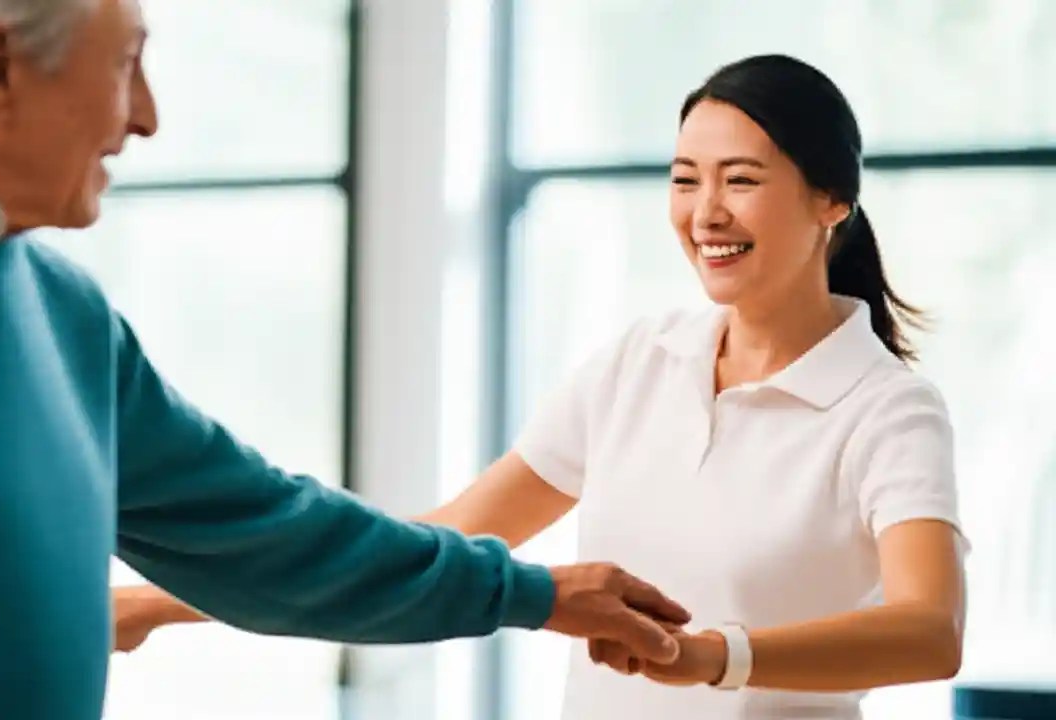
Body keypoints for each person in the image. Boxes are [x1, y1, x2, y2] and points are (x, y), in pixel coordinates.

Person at [0, 1, 693, 718]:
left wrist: (532, 592)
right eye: (126, 63)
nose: (145, 117)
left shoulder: (67, 312)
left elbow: (269, 535)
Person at [116, 54, 968, 719]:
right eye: (684, 178)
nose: (705, 211)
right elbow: (438, 542)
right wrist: (161, 601)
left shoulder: (886, 408)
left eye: (741, 179)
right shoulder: (642, 360)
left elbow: (930, 632)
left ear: (831, 200)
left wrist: (715, 657)